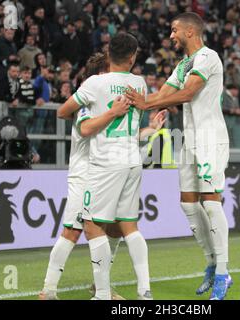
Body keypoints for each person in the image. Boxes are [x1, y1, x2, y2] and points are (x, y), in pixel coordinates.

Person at [40, 51, 166, 300]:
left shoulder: (105, 97)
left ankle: (101, 287)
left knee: (116, 230)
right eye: (107, 73)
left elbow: (120, 134)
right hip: (85, 173)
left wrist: (150, 129)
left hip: (108, 172)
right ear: (99, 75)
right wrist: (113, 112)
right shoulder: (87, 104)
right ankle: (49, 289)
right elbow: (86, 128)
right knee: (73, 231)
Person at [126, 12, 232, 300]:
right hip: (189, 139)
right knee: (187, 203)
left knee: (211, 203)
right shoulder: (184, 64)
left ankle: (223, 272)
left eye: (174, 30)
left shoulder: (208, 57)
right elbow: (165, 93)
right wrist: (142, 103)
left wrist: (145, 102)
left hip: (211, 138)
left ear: (189, 32)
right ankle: (211, 260)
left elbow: (186, 94)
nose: (170, 36)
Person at [72, 33, 153, 301]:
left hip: (106, 161)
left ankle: (102, 294)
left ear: (108, 54)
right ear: (132, 57)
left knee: (92, 225)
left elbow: (71, 112)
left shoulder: (96, 82)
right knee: (129, 225)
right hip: (133, 159)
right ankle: (144, 291)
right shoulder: (140, 83)